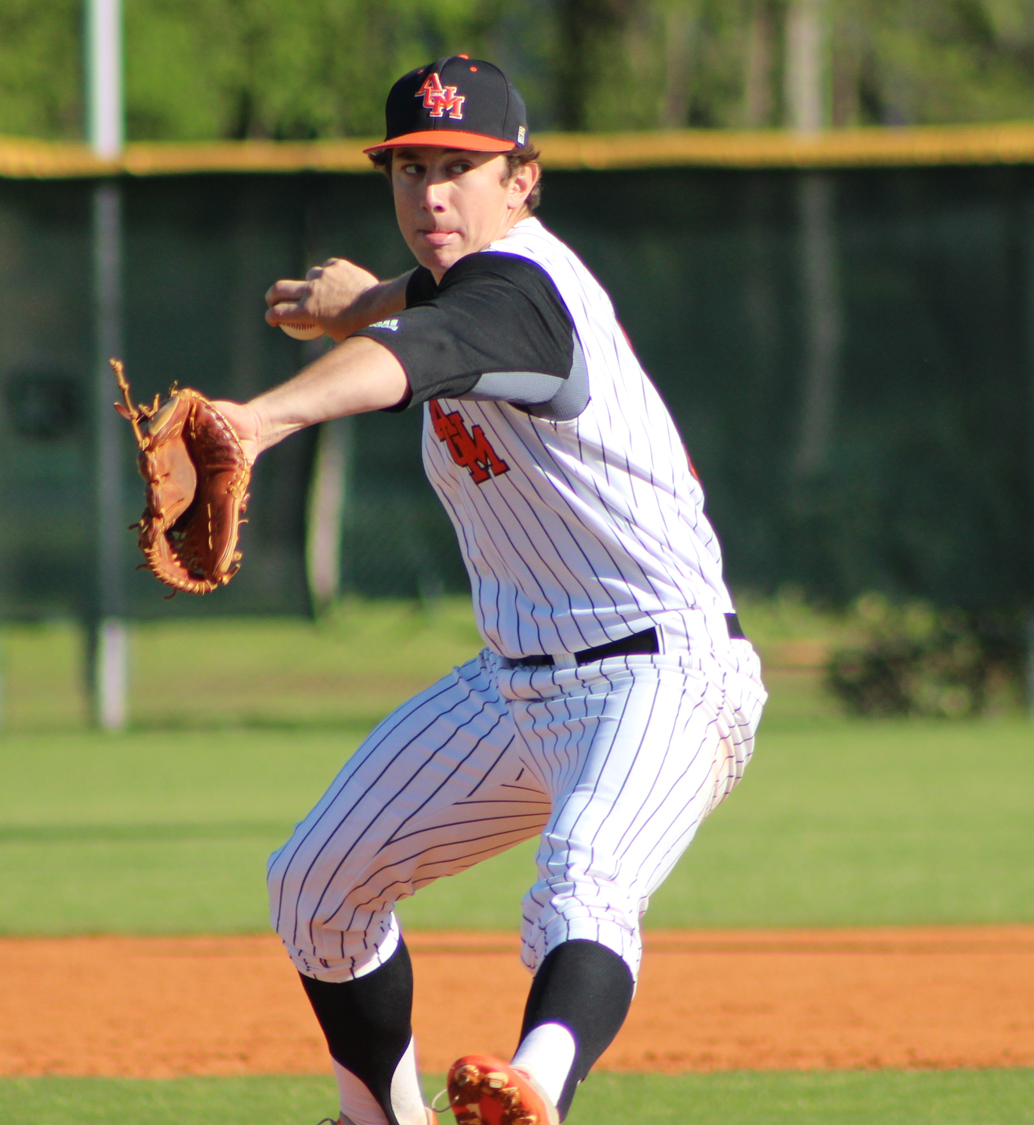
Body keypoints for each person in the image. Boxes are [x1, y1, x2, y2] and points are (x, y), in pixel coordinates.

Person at [213, 57, 767, 1125]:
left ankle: (533, 1092)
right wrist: (358, 303)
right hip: (511, 688)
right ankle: (378, 1118)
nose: (431, 191)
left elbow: (421, 349)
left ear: (522, 179)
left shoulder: (527, 288)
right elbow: (422, 313)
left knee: (586, 869)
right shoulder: (467, 286)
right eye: (411, 166)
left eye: (461, 167)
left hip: (663, 670)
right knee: (315, 882)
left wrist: (258, 420)